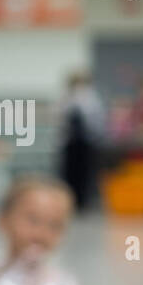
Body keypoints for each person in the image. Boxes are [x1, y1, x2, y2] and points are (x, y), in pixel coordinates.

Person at [58, 71, 105, 211]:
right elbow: (60, 118)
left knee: (84, 174)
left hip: (86, 142)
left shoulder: (92, 98)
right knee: (69, 173)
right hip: (70, 142)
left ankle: (83, 202)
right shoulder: (66, 97)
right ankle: (69, 201)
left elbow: (96, 120)